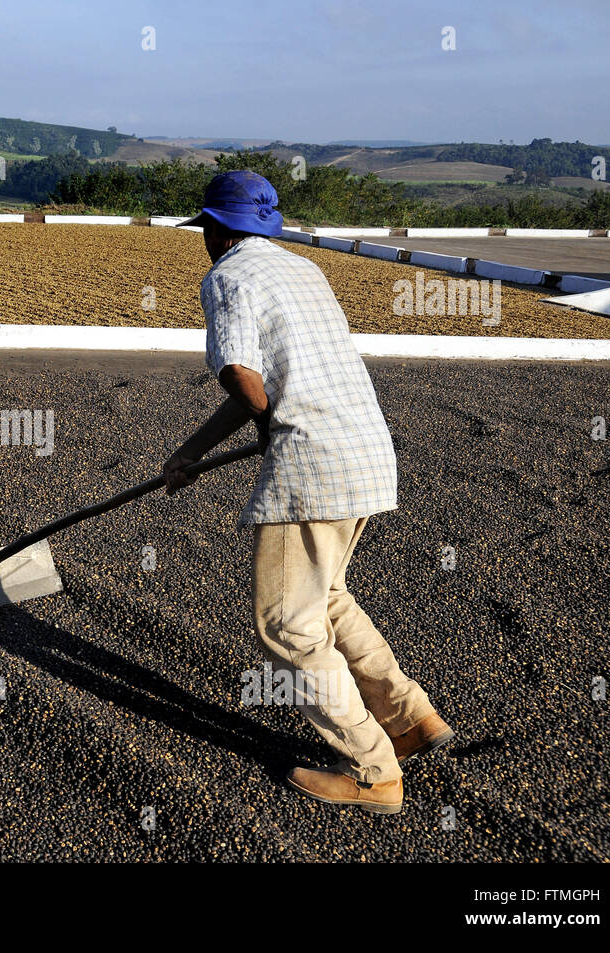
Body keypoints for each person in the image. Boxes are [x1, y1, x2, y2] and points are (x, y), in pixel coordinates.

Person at [163, 170, 453, 814]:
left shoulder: (229, 276)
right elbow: (274, 381)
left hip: (314, 462)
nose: (205, 239)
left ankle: (374, 773)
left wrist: (229, 437)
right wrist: (222, 440)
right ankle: (410, 721)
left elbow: (245, 379)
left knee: (286, 627)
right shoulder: (303, 269)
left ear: (217, 227)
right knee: (327, 599)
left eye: (207, 228)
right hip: (364, 451)